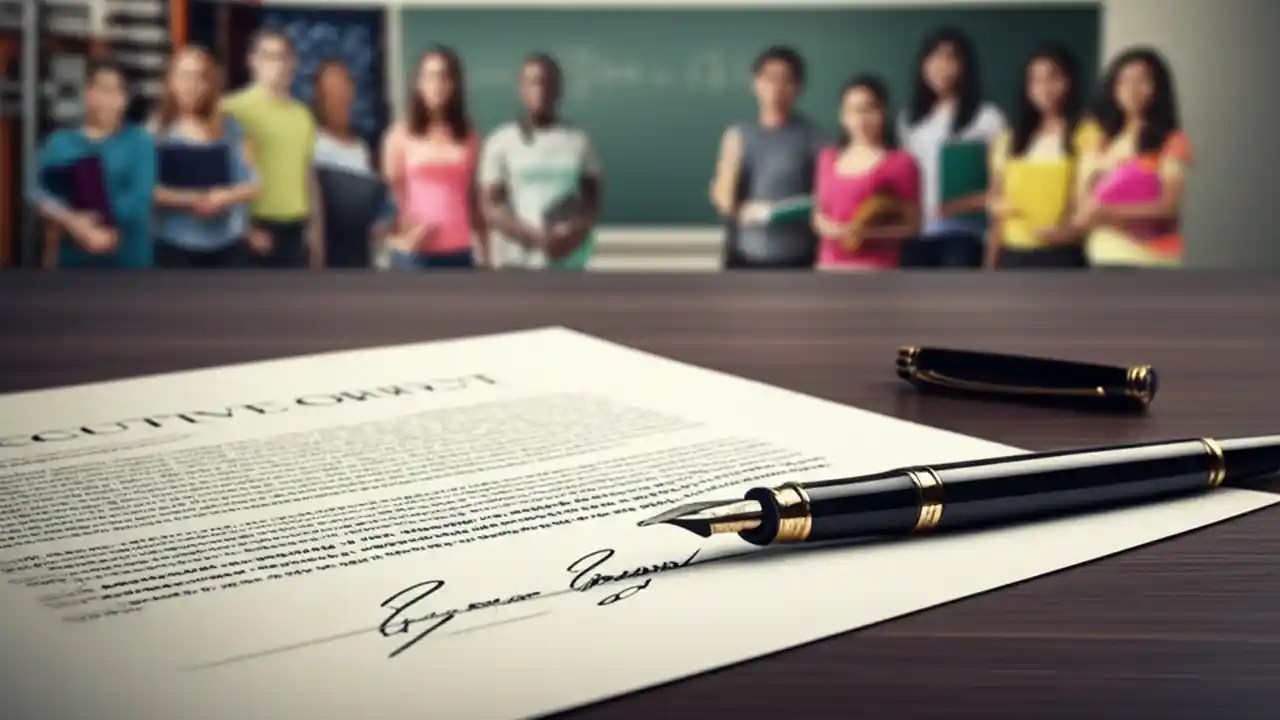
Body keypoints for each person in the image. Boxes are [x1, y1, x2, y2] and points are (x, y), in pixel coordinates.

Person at [479, 53, 602, 271]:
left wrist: (571, 235)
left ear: (559, 90)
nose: (540, 91)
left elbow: (592, 202)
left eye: (547, 83)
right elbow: (490, 206)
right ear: (521, 88)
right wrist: (535, 239)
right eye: (533, 82)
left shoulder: (580, 141)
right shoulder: (501, 141)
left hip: (569, 263)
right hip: (517, 264)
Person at [28, 61, 155, 269]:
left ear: (126, 99)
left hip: (128, 259)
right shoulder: (60, 142)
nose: (108, 99)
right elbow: (36, 190)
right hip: (72, 260)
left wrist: (99, 227)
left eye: (116, 91)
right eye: (101, 89)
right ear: (87, 93)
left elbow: (140, 197)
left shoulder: (140, 142)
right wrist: (73, 222)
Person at [898, 29, 1007, 268]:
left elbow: (1001, 188)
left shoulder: (987, 118)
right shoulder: (909, 120)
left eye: (951, 58)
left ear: (964, 66)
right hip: (916, 233)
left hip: (964, 233)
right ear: (923, 64)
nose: (942, 66)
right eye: (934, 58)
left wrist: (992, 243)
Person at [1073, 47, 1191, 268]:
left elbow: (1168, 207)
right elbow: (1082, 208)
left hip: (1151, 259)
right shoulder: (1101, 141)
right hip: (1102, 255)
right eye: (1123, 81)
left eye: (1142, 81)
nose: (1131, 89)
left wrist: (1107, 213)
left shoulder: (1172, 140)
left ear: (1158, 88)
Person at [710, 46, 824, 270]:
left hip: (797, 257)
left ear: (798, 88)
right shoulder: (738, 135)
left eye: (786, 80)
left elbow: (826, 195)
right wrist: (743, 209)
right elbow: (724, 195)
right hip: (746, 256)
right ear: (756, 83)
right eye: (769, 79)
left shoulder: (813, 137)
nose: (776, 88)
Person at [221, 28, 323, 269]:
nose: (277, 65)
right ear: (253, 61)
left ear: (293, 62)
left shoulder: (303, 116)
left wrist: (316, 235)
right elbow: (217, 177)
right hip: (252, 228)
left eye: (284, 56)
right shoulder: (231, 109)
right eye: (269, 57)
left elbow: (308, 177)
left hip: (295, 229)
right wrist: (244, 229)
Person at [150, 47, 259, 269]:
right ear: (170, 81)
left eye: (199, 77)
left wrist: (224, 197)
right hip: (172, 246)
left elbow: (253, 183)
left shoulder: (232, 130)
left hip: (225, 247)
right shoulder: (155, 133)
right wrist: (197, 199)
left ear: (209, 84)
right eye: (183, 76)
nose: (190, 85)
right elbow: (149, 190)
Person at [382, 46, 485, 270]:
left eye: (444, 77)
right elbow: (389, 200)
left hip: (459, 252)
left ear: (455, 85)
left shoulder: (469, 136)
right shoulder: (399, 135)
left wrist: (487, 253)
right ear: (418, 83)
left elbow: (473, 199)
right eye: (430, 76)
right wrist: (401, 238)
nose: (437, 85)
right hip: (415, 255)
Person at [986, 45, 1087, 269]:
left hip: (1062, 253)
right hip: (1013, 253)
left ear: (1069, 81)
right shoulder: (1008, 140)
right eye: (1035, 80)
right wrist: (991, 258)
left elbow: (1088, 195)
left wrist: (1068, 232)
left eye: (1053, 78)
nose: (1045, 88)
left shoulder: (1086, 133)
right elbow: (997, 205)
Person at [812, 76, 921, 271]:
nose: (861, 118)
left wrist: (866, 232)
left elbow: (913, 227)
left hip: (877, 269)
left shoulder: (901, 163)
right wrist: (835, 231)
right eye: (853, 111)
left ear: (883, 112)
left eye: (869, 109)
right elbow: (819, 215)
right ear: (843, 116)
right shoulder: (827, 159)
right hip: (828, 268)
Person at [313, 59, 395, 268]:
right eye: (331, 91)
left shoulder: (362, 146)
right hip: (327, 253)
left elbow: (379, 201)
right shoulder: (312, 143)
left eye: (343, 88)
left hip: (361, 255)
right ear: (320, 98)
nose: (339, 97)